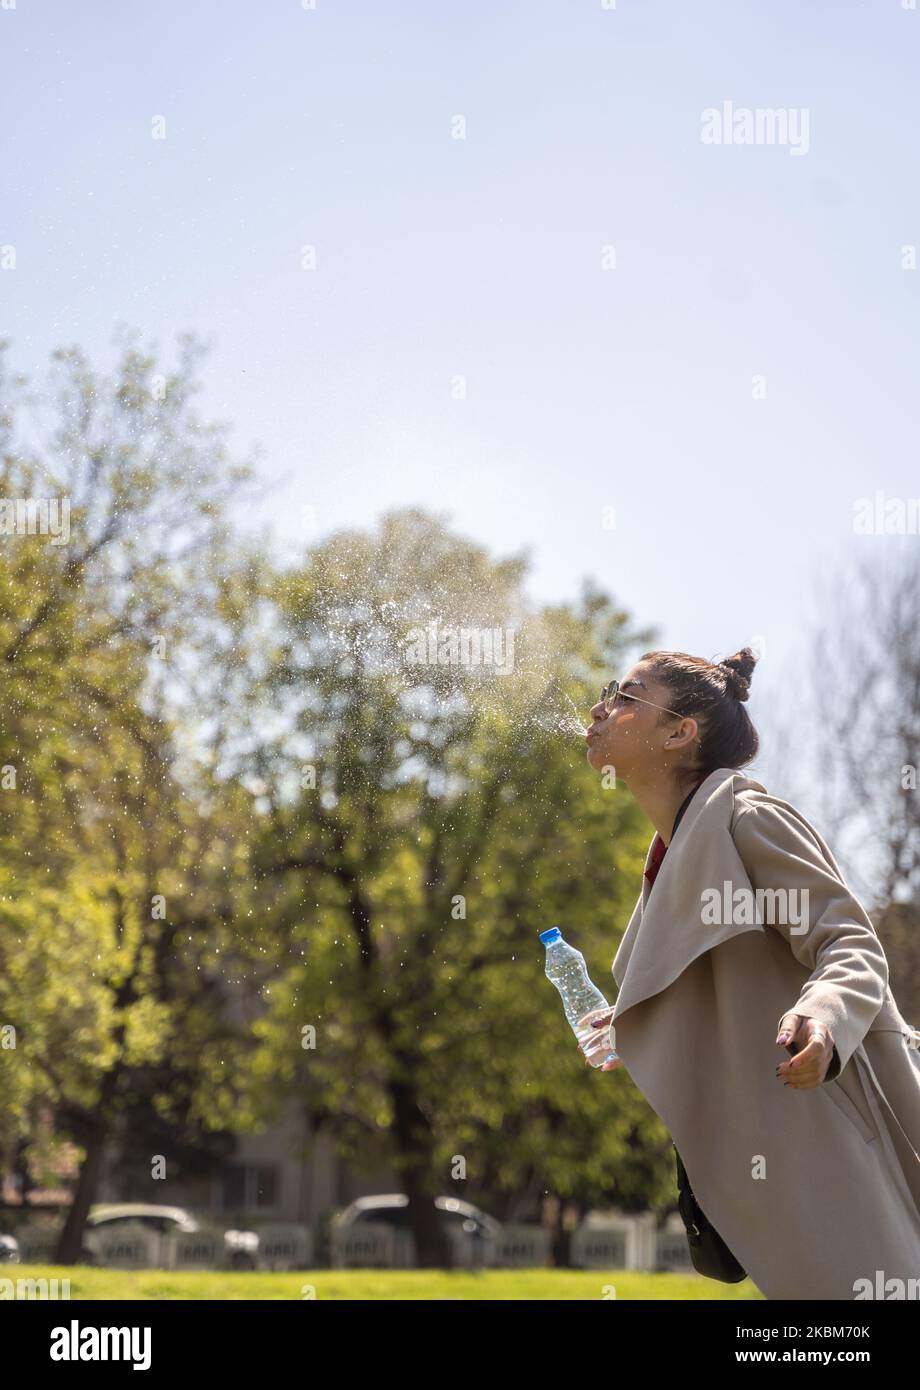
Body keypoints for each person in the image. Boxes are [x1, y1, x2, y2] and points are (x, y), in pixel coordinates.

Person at [582, 645, 920, 1300]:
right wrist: (639, 1028)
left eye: (626, 696)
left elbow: (849, 941)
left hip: (837, 1138)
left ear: (680, 733)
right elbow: (725, 996)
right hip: (784, 1161)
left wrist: (821, 1018)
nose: (602, 708)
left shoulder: (745, 819)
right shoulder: (671, 858)